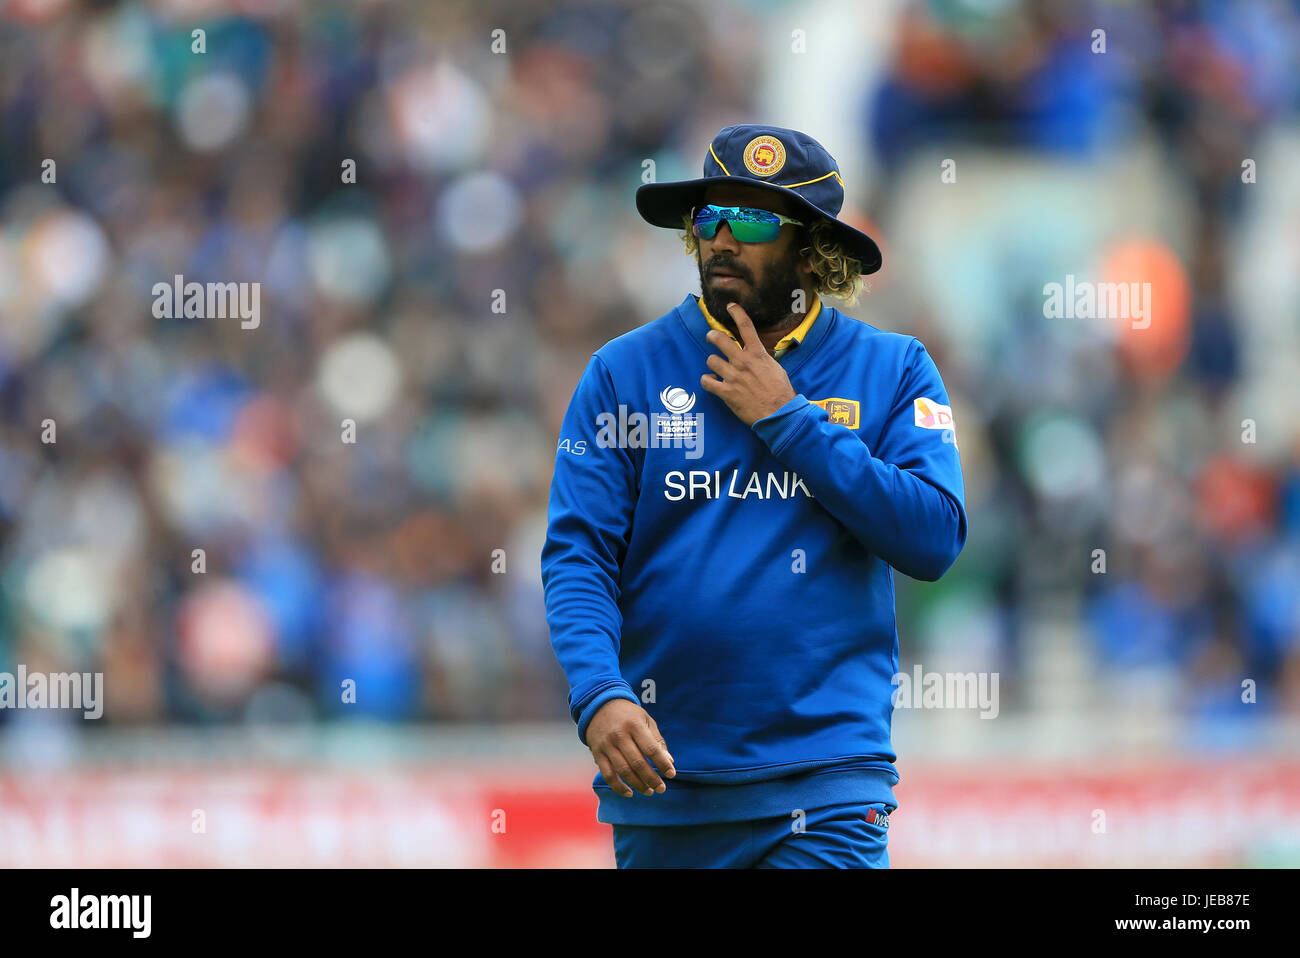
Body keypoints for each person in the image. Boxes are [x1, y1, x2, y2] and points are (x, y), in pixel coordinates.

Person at [541, 124, 967, 868]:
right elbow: (579, 558)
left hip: (827, 785)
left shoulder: (895, 369)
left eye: (755, 220)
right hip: (665, 786)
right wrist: (600, 694)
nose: (724, 239)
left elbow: (933, 540)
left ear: (812, 249)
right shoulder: (622, 372)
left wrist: (788, 420)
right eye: (710, 217)